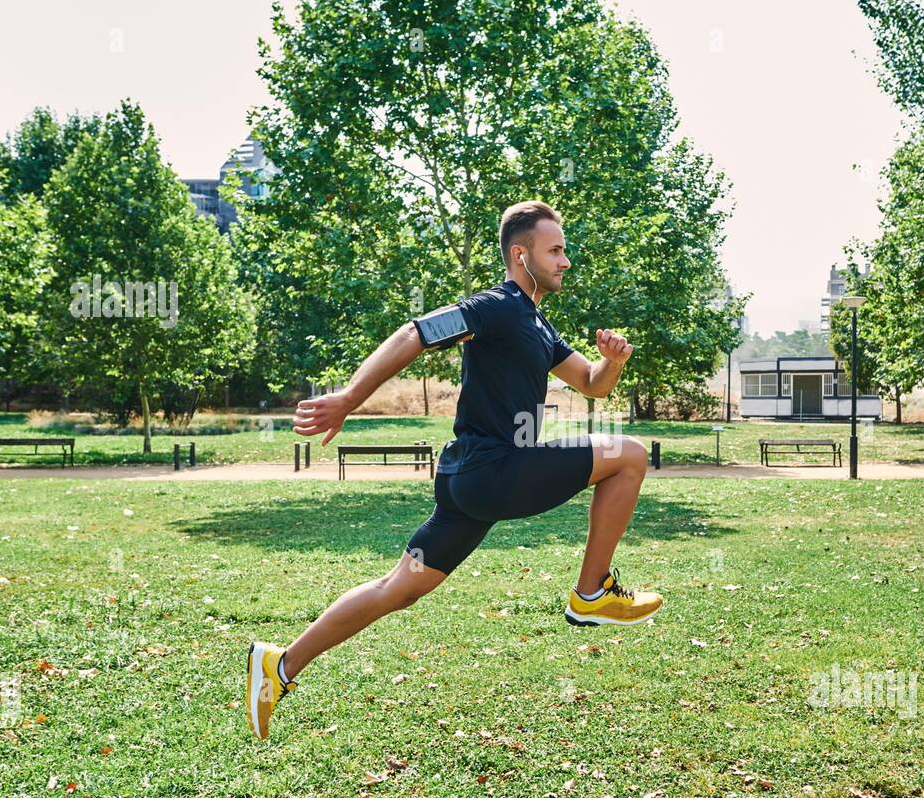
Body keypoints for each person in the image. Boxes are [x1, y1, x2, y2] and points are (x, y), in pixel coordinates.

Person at [246, 200, 662, 740]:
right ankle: (591, 593)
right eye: (554, 250)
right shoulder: (496, 305)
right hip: (494, 470)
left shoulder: (535, 322)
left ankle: (279, 666)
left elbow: (591, 384)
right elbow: (413, 333)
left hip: (467, 482)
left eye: (564, 250)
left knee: (398, 588)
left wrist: (615, 361)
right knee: (629, 455)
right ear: (521, 254)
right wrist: (349, 397)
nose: (565, 260)